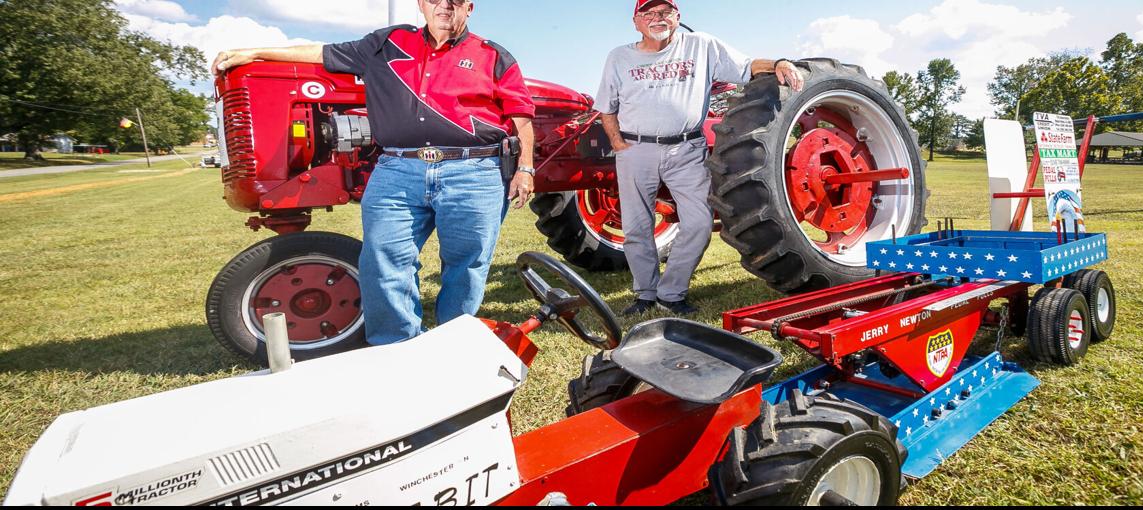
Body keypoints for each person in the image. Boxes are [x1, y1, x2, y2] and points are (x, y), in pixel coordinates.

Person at [212, 0, 536, 346]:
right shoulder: (388, 43)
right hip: (398, 169)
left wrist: (526, 168)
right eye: (436, 0)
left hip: (473, 170)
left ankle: (451, 342)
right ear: (421, 5)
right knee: (383, 258)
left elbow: (521, 118)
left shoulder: (492, 55)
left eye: (455, 1)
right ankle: (394, 345)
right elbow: (322, 53)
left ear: (469, 8)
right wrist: (254, 53)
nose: (445, 6)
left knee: (467, 264)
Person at [598, 0, 804, 316]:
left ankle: (671, 292)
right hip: (636, 150)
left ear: (678, 17)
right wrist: (618, 143)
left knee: (699, 222)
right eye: (649, 14)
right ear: (636, 22)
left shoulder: (701, 45)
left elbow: (747, 66)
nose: (658, 18)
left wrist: (780, 62)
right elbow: (606, 107)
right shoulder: (619, 57)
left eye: (665, 12)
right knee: (638, 228)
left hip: (685, 149)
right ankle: (645, 295)